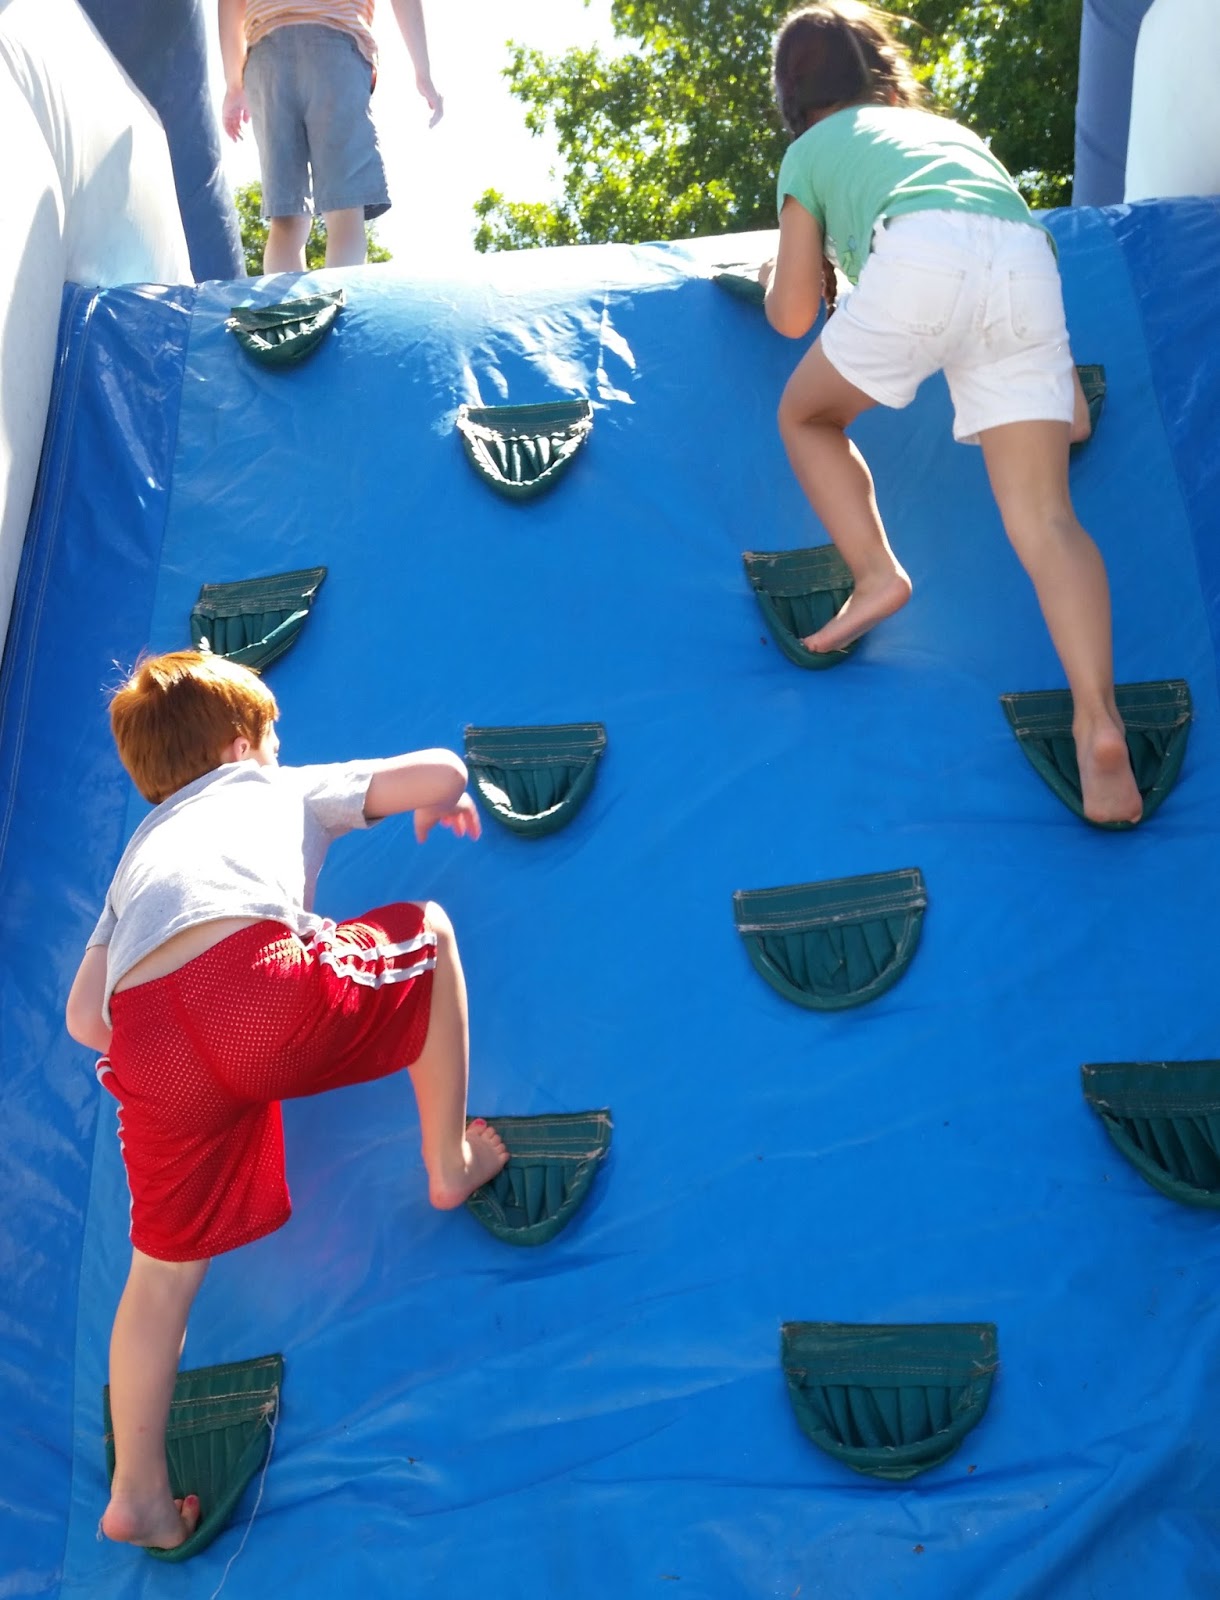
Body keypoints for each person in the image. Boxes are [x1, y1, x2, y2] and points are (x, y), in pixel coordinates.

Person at [65, 649, 507, 1552]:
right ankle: (450, 1164)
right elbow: (442, 770)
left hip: (145, 1038)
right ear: (241, 746)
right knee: (429, 934)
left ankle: (137, 1494)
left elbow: (82, 1017)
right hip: (255, 990)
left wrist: (183, 1060)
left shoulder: (137, 854)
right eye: (271, 737)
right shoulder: (274, 785)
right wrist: (434, 797)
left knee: (158, 1276)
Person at [762, 1, 1143, 826]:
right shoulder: (942, 134)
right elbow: (978, 237)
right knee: (1047, 520)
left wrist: (790, 259)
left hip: (923, 261)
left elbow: (792, 315)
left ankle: (876, 574)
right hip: (1022, 262)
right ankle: (1099, 724)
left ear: (794, 99)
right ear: (872, 69)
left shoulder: (810, 152)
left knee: (806, 416)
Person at [218, 0, 443, 272]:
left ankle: (287, 311)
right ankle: (340, 307)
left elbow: (230, 4)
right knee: (345, 210)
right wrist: (423, 72)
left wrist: (233, 83)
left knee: (287, 217)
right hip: (334, 45)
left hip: (266, 57)